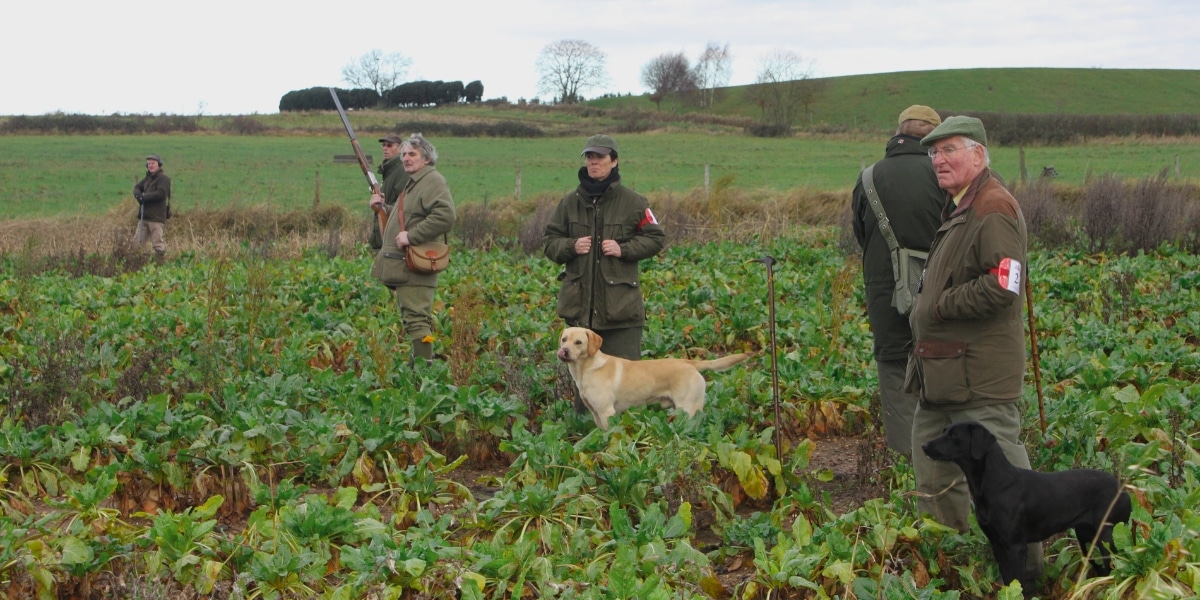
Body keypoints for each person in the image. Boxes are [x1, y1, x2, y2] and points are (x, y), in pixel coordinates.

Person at [907, 116, 1043, 582]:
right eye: (933, 153)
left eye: (949, 151)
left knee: (1006, 483)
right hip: (942, 374)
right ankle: (959, 570)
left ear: (979, 155)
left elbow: (1006, 285)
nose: (938, 161)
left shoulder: (993, 207)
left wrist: (940, 305)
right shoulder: (960, 206)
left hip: (978, 379)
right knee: (934, 475)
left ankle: (1027, 581)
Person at [850, 105, 945, 455]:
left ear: (899, 132)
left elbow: (861, 235)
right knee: (942, 364)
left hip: (886, 293)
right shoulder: (946, 174)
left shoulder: (868, 178)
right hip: (942, 291)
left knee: (894, 373)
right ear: (934, 135)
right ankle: (943, 462)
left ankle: (909, 468)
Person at [543, 134, 666, 363]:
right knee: (586, 390)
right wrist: (571, 246)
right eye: (589, 156)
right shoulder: (569, 203)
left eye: (600, 156)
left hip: (621, 315)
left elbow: (656, 238)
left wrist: (624, 249)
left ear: (614, 161)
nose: (593, 161)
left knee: (627, 386)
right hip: (580, 316)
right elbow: (549, 241)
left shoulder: (635, 203)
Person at [370, 133, 456, 366]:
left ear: (426, 158)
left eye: (412, 154)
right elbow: (408, 217)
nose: (406, 158)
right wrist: (383, 207)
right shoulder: (414, 182)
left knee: (418, 320)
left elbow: (446, 216)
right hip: (406, 264)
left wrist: (412, 236)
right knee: (413, 319)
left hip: (416, 264)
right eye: (405, 154)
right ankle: (420, 368)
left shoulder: (432, 181)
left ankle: (425, 373)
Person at [369, 134, 410, 250]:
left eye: (389, 145)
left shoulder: (402, 170)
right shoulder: (390, 169)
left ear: (400, 148)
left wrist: (383, 207)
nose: (385, 148)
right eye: (384, 145)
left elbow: (403, 204)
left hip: (393, 234)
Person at [132, 153, 171, 259]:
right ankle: (135, 263)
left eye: (153, 163)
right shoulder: (148, 179)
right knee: (136, 245)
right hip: (144, 217)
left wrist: (144, 197)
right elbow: (137, 187)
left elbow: (161, 194)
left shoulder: (164, 179)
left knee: (157, 244)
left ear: (159, 164)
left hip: (156, 218)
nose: (150, 166)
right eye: (149, 164)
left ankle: (160, 264)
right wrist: (138, 195)